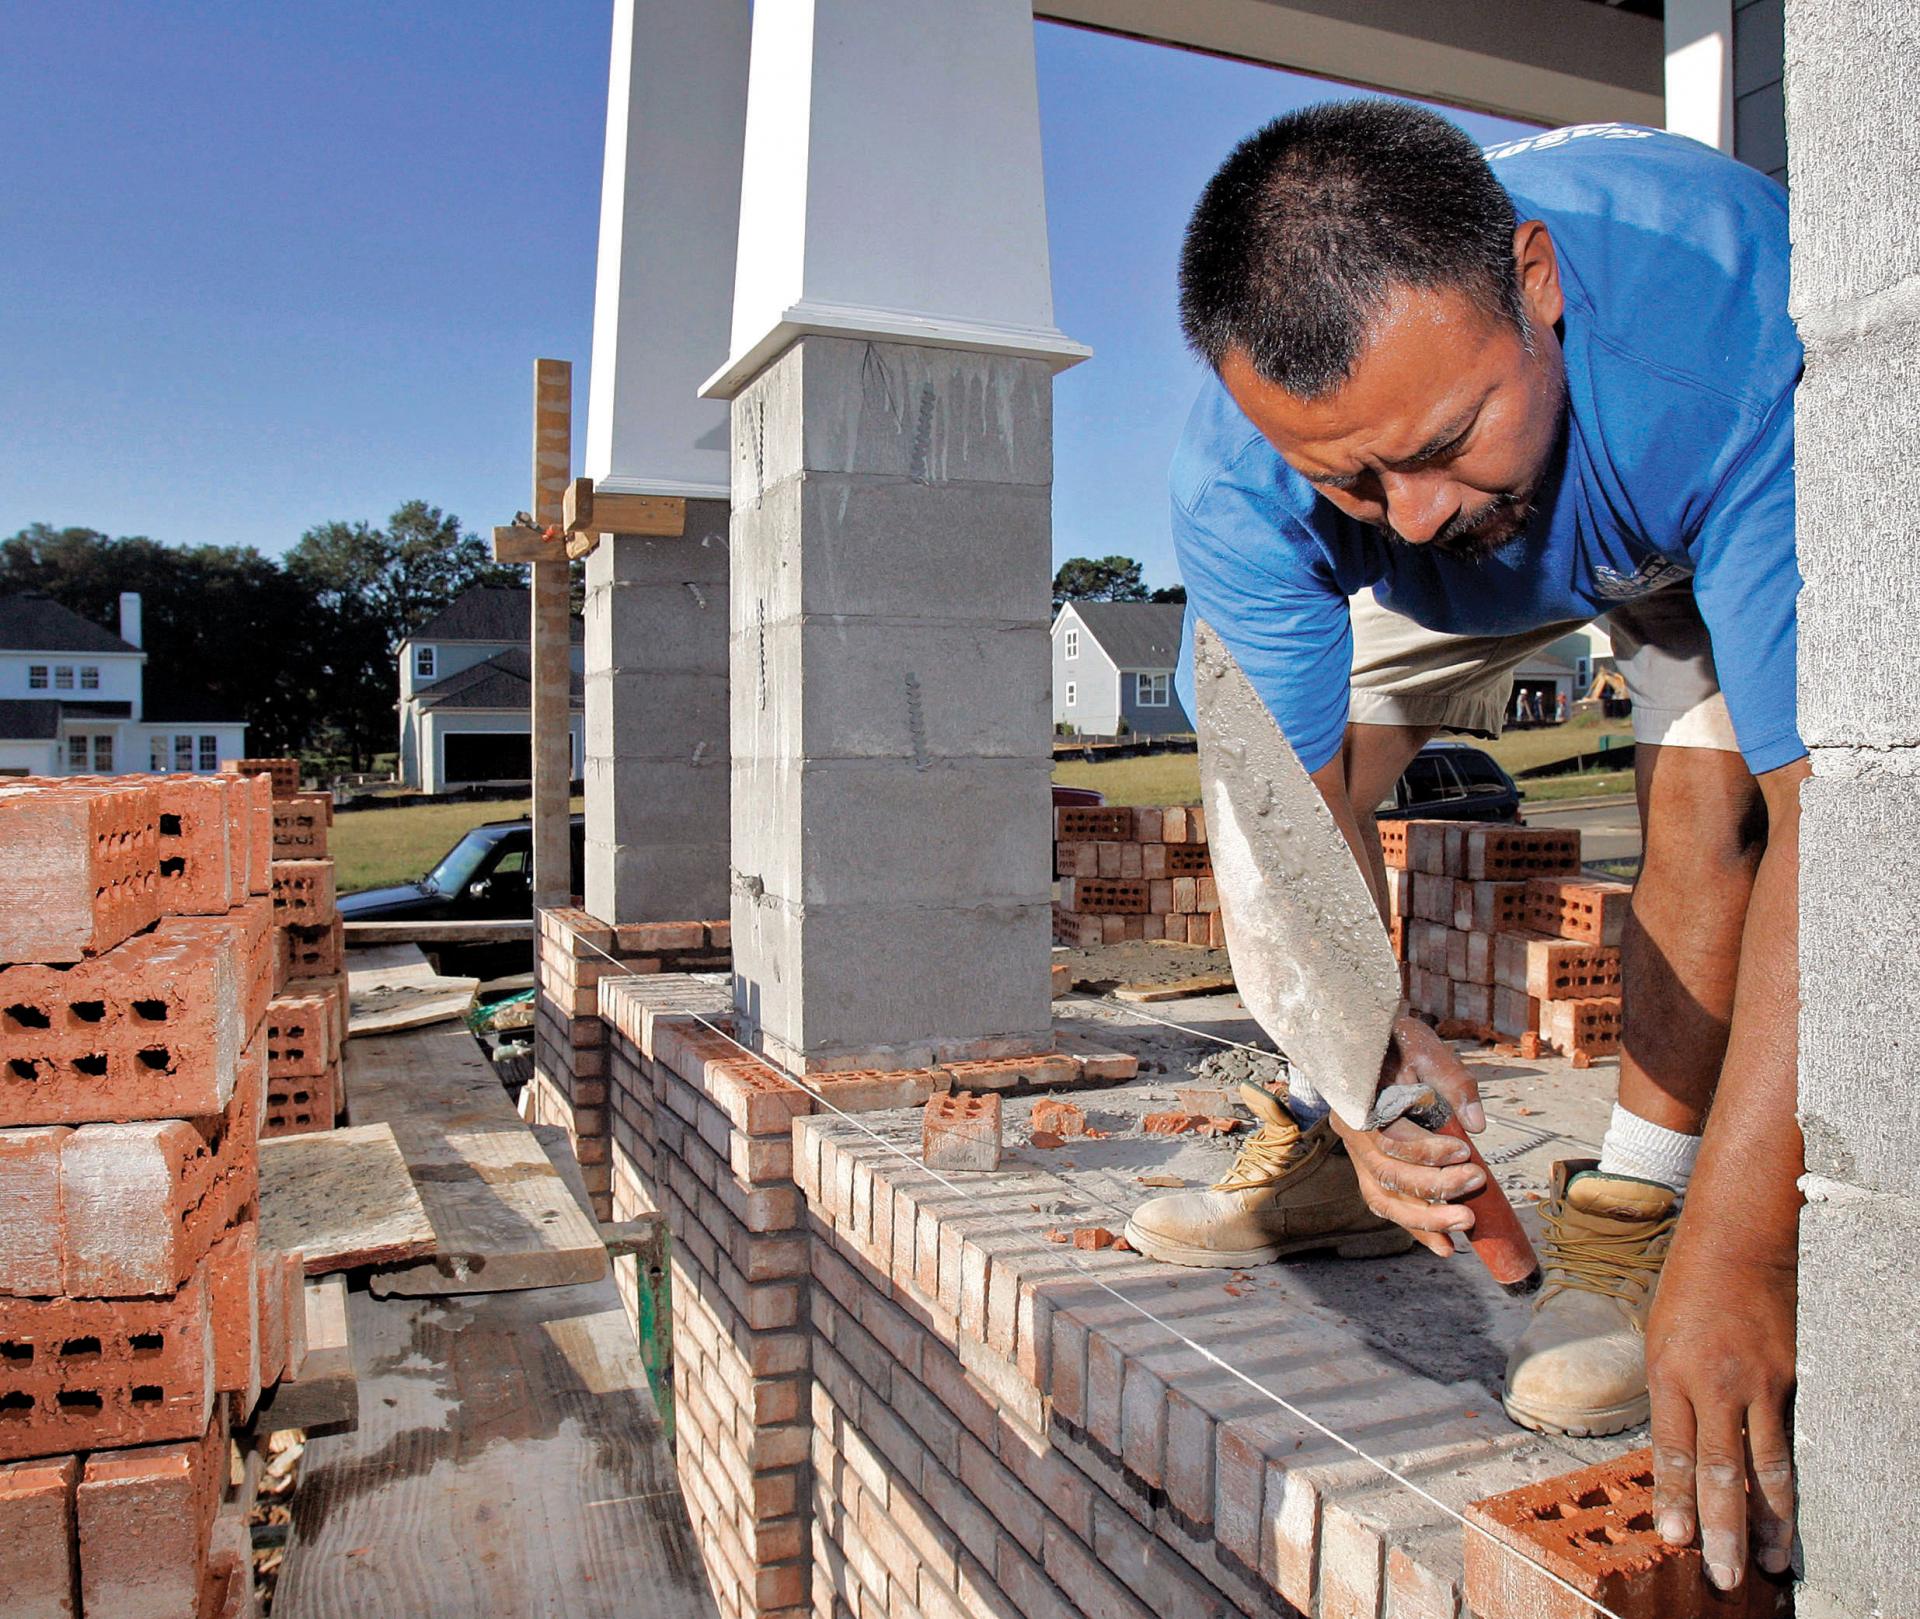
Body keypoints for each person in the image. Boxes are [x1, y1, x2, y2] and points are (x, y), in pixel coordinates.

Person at [1122, 103, 1801, 1598]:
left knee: (1706, 798)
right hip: (1515, 468)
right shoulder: (1259, 478)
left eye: (1436, 448)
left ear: (1537, 278)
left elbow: (1855, 832)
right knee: (1301, 791)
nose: (1414, 518)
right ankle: (1340, 1145)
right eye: (1360, 483)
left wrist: (1744, 1256)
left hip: (1671, 489)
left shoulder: (1739, 335)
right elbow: (1289, 837)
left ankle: (1639, 1210)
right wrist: (1365, 1074)